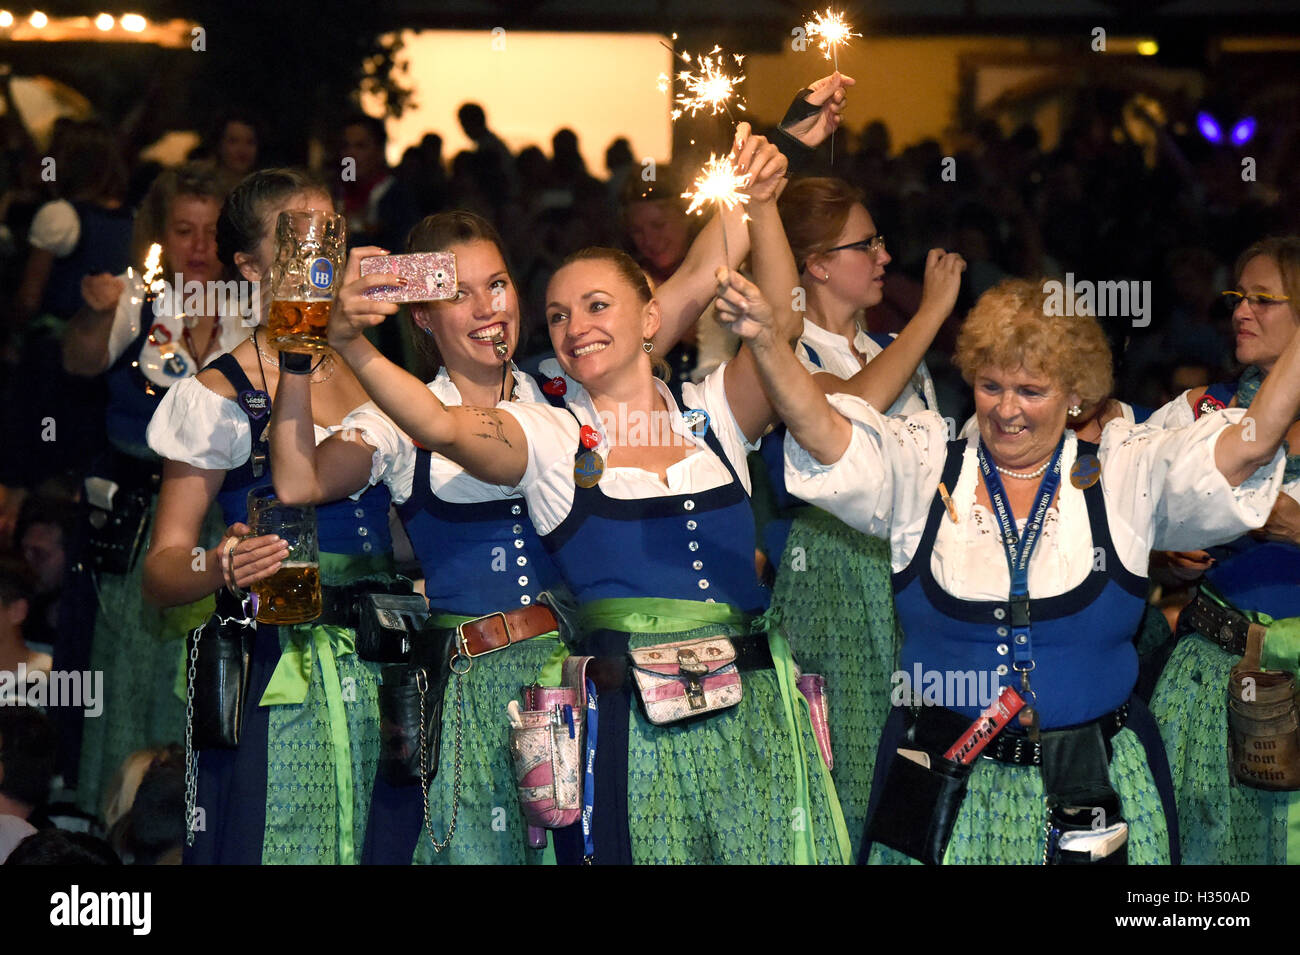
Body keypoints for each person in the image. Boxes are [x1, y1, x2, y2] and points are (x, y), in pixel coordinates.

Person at [326, 132, 850, 864]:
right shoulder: (550, 430)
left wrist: (763, 193)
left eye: (598, 306)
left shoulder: (712, 411)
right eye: (561, 316)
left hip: (758, 713)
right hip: (630, 721)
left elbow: (776, 326)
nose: (575, 328)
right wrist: (348, 344)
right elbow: (439, 424)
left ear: (650, 320)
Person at [729, 272, 1299, 864]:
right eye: (990, 385)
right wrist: (770, 343)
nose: (1006, 410)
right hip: (942, 795)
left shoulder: (1127, 473)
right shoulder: (924, 466)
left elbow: (1251, 445)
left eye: (1031, 390)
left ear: (1076, 393)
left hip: (1094, 789)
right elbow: (824, 435)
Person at [142, 168, 394, 864]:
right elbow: (161, 570)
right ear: (250, 266)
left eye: (330, 235)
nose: (320, 256)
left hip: (384, 659)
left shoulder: (372, 362)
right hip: (275, 664)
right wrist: (219, 564)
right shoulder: (219, 392)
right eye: (296, 240)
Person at [762, 174, 964, 856]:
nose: (884, 256)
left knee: (917, 766)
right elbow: (840, 415)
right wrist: (930, 315)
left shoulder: (887, 351)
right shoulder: (783, 354)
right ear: (816, 264)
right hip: (838, 586)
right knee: (845, 768)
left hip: (915, 578)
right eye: (866, 243)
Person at [60, 162, 236, 817]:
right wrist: (91, 309)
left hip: (226, 530)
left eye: (213, 231)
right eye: (183, 230)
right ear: (160, 234)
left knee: (206, 686)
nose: (198, 245)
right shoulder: (136, 296)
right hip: (136, 531)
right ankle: (124, 830)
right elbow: (78, 358)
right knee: (130, 683)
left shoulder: (258, 312)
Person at [1147, 236, 1300, 864]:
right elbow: (1117, 522)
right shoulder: (1198, 417)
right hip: (1212, 683)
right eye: (1240, 296)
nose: (1242, 311)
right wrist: (1166, 555)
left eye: (1264, 299)